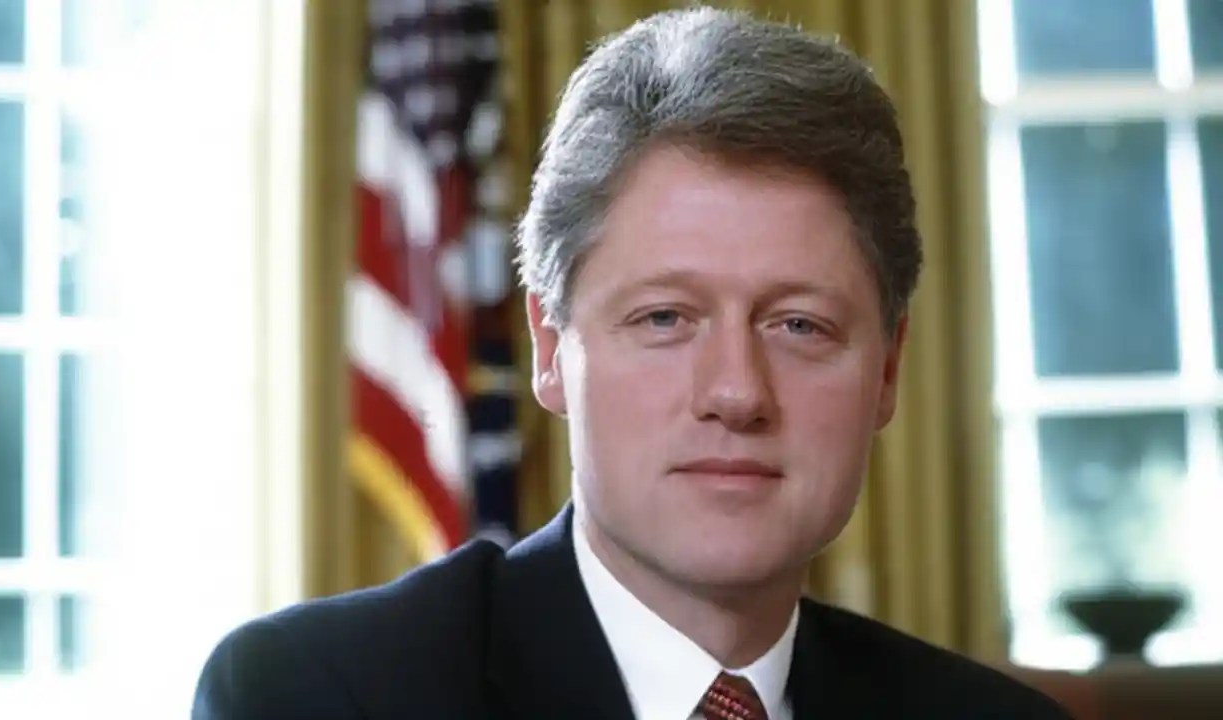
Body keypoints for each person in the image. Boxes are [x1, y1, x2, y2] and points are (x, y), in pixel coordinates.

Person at [193, 8, 1071, 719]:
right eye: (664, 318)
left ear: (887, 370)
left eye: (799, 325)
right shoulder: (317, 696)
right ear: (549, 347)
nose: (736, 392)